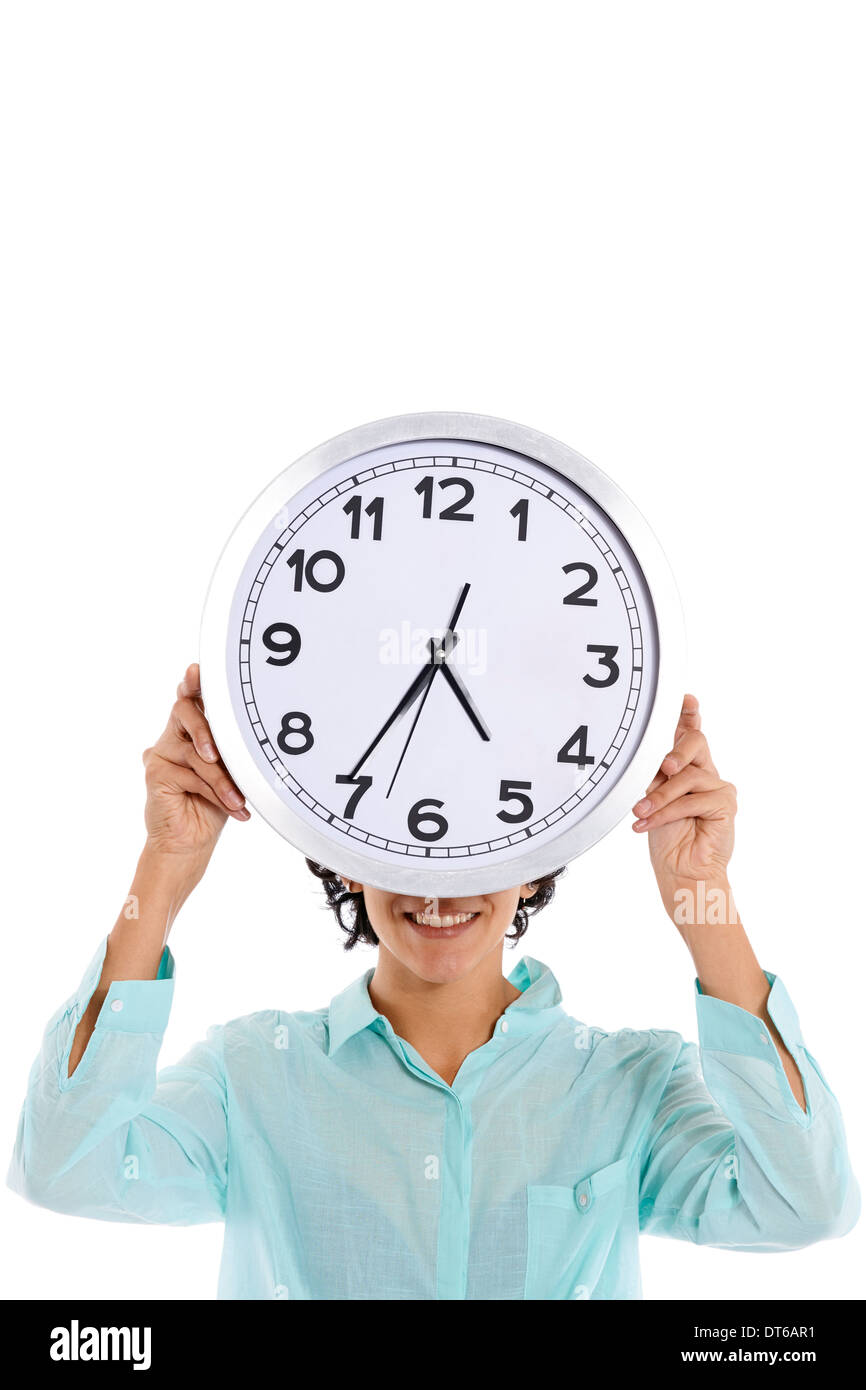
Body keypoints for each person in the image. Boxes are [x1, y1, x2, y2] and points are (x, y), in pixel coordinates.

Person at [7, 664, 859, 1300]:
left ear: (533, 866)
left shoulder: (630, 1083)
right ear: (346, 864)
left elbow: (806, 1203)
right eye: (401, 847)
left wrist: (701, 902)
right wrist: (165, 867)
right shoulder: (251, 1075)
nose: (437, 889)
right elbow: (63, 1167)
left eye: (481, 846)